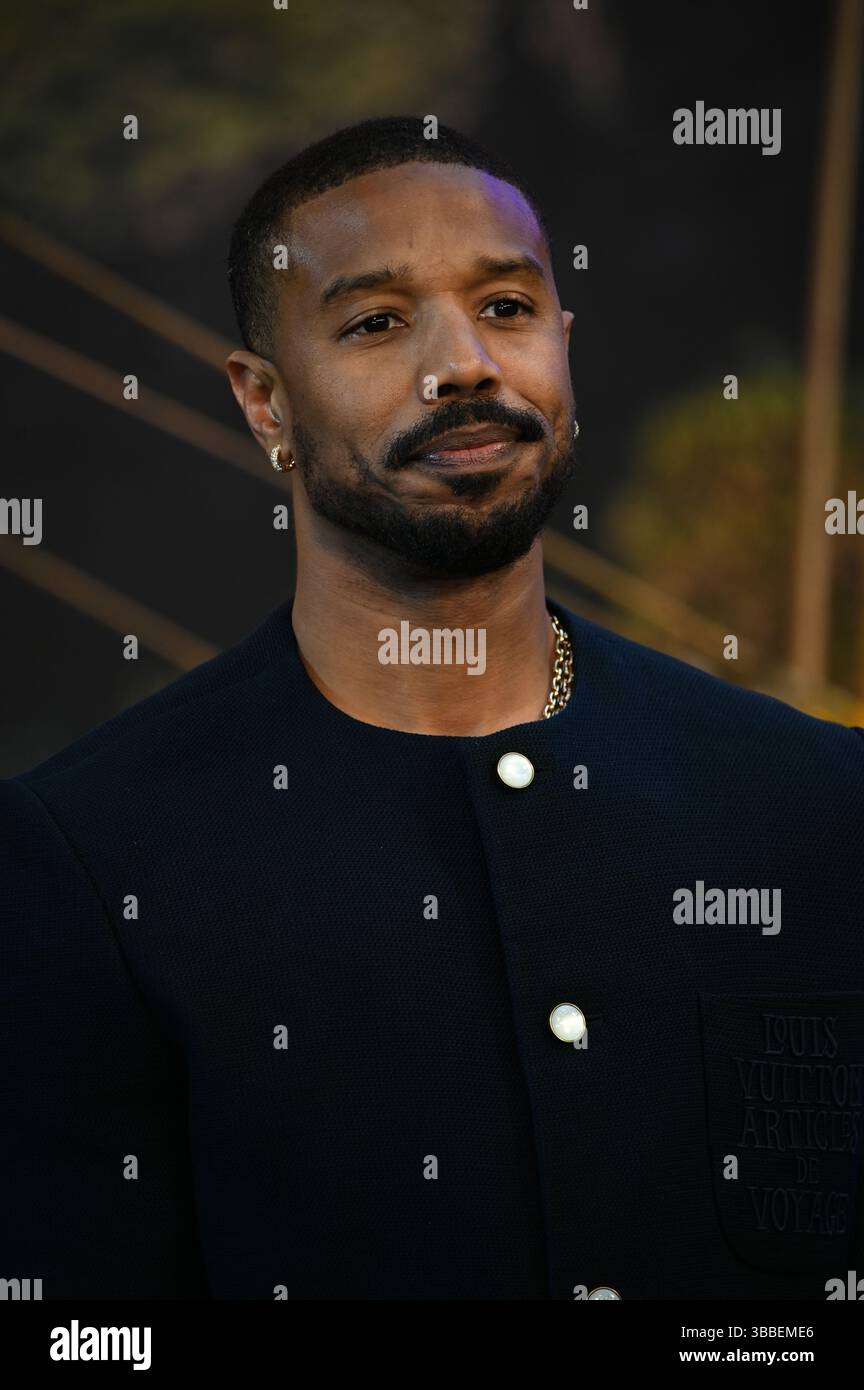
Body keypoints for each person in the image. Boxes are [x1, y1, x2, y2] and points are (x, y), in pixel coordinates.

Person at [2, 116, 862, 1302]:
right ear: (264, 404)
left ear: (564, 345)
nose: (464, 362)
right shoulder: (85, 859)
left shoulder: (819, 803)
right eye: (376, 322)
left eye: (506, 308)